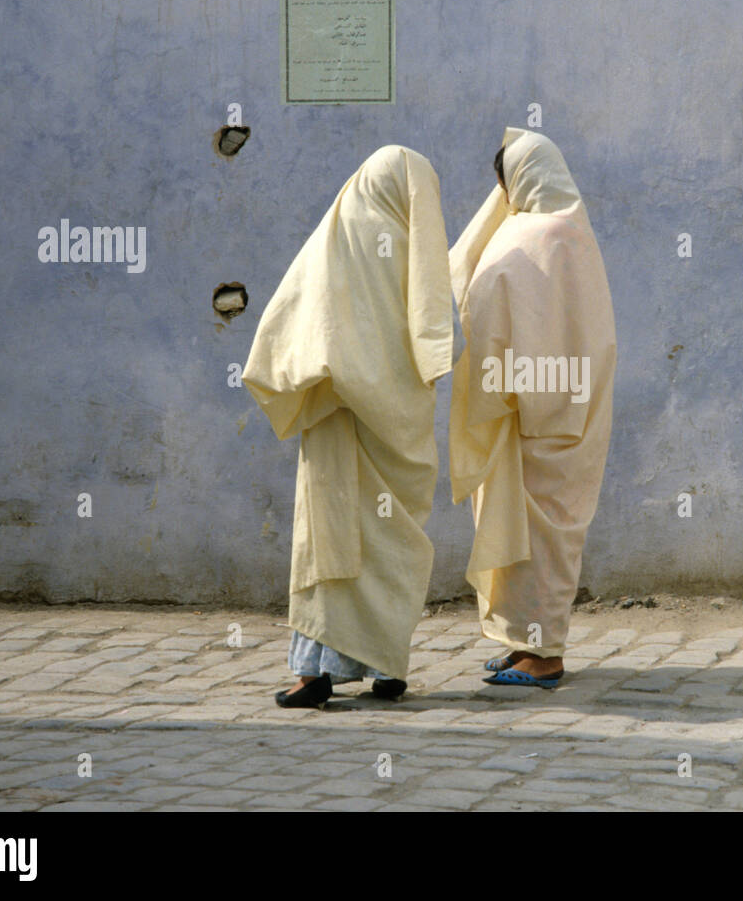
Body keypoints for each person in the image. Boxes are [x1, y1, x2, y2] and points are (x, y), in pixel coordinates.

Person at [242, 144, 453, 708]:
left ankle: (316, 676)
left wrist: (326, 373)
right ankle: (387, 667)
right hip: (393, 423)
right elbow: (424, 327)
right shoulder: (407, 242)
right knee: (389, 542)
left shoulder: (339, 230)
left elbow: (299, 313)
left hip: (338, 417)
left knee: (331, 540)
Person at [448, 127, 616, 688]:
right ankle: (526, 642)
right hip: (572, 409)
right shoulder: (575, 230)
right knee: (548, 532)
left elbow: (486, 301)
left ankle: (545, 658)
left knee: (530, 536)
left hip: (523, 409)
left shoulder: (529, 235)